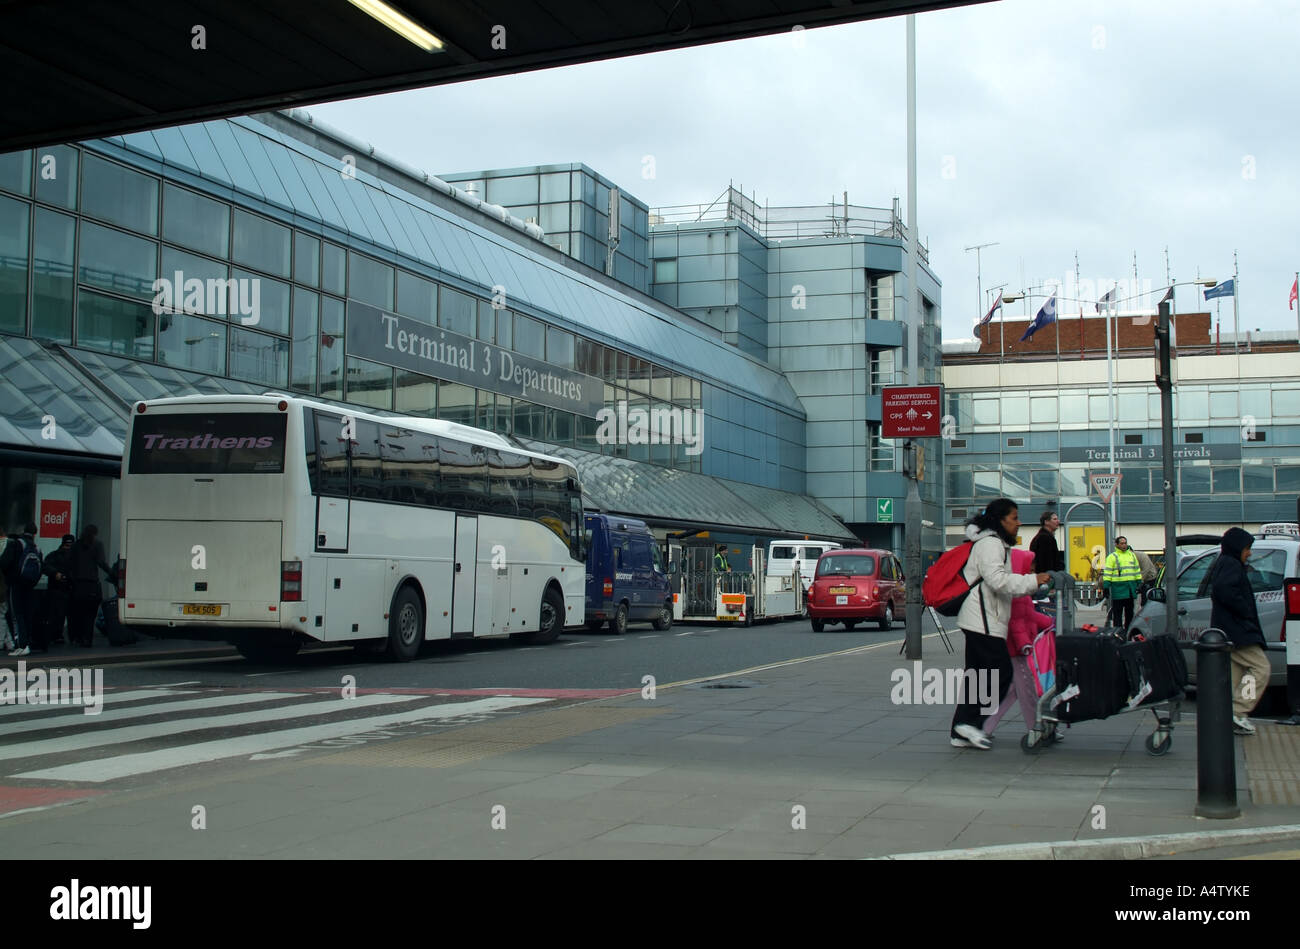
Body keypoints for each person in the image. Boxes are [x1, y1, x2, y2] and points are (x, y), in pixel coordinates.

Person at [950, 498, 1051, 750]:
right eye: (1014, 518)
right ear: (1000, 520)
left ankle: (961, 730)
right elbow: (998, 581)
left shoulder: (992, 543)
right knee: (1001, 672)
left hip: (981, 618)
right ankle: (971, 724)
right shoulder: (991, 544)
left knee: (978, 675)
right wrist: (1032, 580)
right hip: (983, 619)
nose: (1018, 523)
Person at [1197, 527, 1270, 735]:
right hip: (1238, 631)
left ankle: (1225, 714)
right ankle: (1238, 711)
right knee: (1260, 668)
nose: (1250, 553)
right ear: (1238, 548)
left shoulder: (1226, 562)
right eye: (1247, 549)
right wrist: (1245, 610)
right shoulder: (1231, 564)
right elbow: (1224, 590)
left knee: (1236, 673)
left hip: (1229, 630)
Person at [67, 525, 112, 648]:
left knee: (78, 613)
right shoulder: (97, 545)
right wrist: (113, 573)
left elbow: (69, 563)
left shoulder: (76, 545)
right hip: (92, 586)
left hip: (78, 585)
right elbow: (102, 563)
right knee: (90, 616)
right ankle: (88, 639)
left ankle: (78, 637)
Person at [1, 522, 41, 656]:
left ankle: (21, 645)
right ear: (34, 533)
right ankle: (26, 643)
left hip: (16, 583)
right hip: (30, 585)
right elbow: (41, 567)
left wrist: (9, 576)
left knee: (17, 615)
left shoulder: (17, 543)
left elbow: (4, 562)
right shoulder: (36, 547)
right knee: (26, 614)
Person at [1101, 536, 1142, 632]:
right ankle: (1118, 632)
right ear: (1117, 544)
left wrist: (1139, 583)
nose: (1124, 545)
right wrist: (1106, 587)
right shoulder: (1112, 557)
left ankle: (1128, 632)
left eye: (1125, 543)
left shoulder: (1131, 555)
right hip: (1118, 590)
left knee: (1129, 614)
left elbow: (1137, 571)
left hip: (1130, 589)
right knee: (1117, 614)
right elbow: (1108, 573)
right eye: (1122, 543)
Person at [42, 533, 76, 647]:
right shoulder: (75, 556)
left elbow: (45, 566)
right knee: (64, 615)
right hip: (67, 589)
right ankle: (67, 636)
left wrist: (55, 573)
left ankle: (56, 635)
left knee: (57, 614)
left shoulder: (54, 555)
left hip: (57, 588)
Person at [0, 525, 13, 651]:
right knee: (3, 613)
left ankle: (2, 642)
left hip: (1, 585)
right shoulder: (10, 544)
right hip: (5, 585)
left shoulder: (4, 545)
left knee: (1, 614)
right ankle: (9, 643)